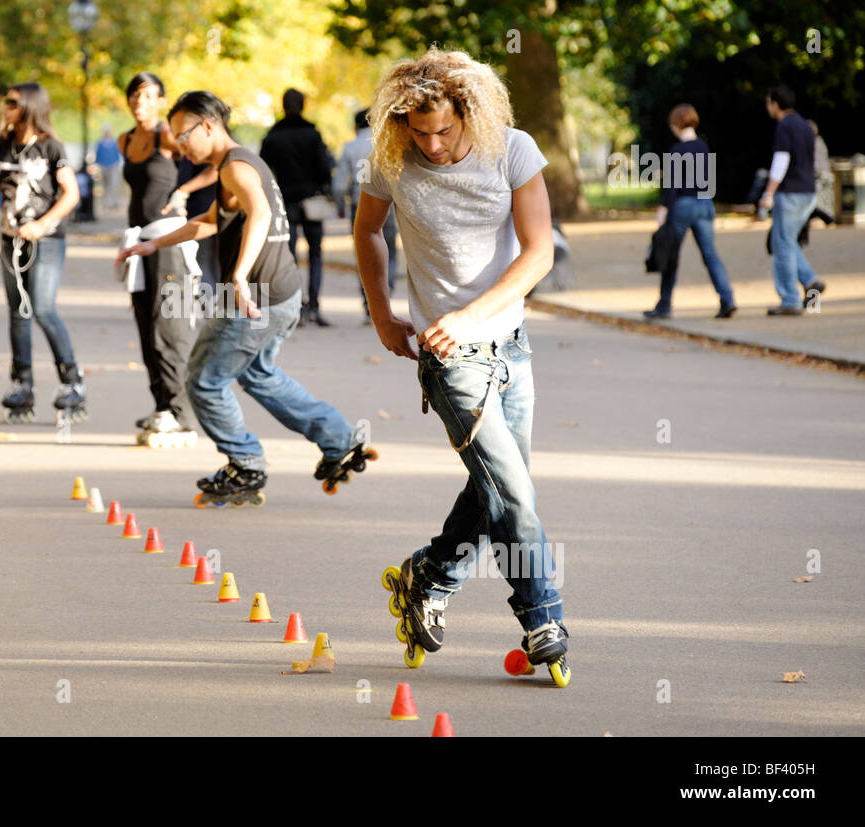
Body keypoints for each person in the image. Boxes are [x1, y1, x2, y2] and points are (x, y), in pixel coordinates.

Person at [355, 47, 568, 682]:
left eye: (444, 129)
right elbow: (368, 231)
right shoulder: (391, 159)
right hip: (448, 359)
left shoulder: (512, 149)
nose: (433, 144)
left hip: (510, 346)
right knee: (514, 492)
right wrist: (382, 313)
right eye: (418, 131)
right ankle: (543, 616)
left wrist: (476, 315)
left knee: (497, 487)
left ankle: (429, 576)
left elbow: (537, 255)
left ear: (469, 113)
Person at [116, 90, 372, 506]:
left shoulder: (235, 167)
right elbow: (212, 221)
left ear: (209, 126)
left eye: (184, 135)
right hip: (279, 293)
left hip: (256, 297)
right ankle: (339, 439)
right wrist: (152, 242)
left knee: (203, 380)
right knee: (258, 374)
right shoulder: (238, 164)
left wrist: (236, 274)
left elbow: (262, 213)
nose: (180, 145)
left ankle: (246, 463)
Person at [0, 82, 87, 426]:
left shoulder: (51, 148)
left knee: (42, 308)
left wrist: (42, 225)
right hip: (10, 241)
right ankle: (22, 383)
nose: (6, 108)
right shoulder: (2, 147)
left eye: (12, 103)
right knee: (18, 312)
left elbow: (70, 195)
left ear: (29, 106)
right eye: (6, 102)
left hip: (46, 241)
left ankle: (72, 381)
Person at [116, 71, 217, 446]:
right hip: (139, 241)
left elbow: (213, 166)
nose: (138, 102)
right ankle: (162, 404)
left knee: (169, 327)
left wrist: (183, 192)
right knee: (145, 327)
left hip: (168, 240)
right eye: (134, 95)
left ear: (160, 100)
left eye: (146, 96)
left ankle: (182, 413)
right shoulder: (126, 139)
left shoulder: (167, 135)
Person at [643, 104, 736, 320]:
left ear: (676, 124)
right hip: (704, 204)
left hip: (683, 205)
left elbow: (673, 185)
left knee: (671, 255)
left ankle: (664, 305)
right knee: (710, 254)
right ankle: (727, 298)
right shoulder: (703, 146)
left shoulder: (677, 150)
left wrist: (664, 208)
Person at [259, 88, 335, 325]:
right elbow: (324, 169)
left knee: (289, 256)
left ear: (283, 106)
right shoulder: (312, 134)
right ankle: (313, 307)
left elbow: (263, 170)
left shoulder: (273, 137)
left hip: (285, 199)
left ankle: (295, 306)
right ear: (303, 106)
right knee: (315, 254)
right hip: (311, 199)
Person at [758, 85, 826, 316]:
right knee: (786, 241)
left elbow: (781, 160)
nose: (768, 107)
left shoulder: (784, 126)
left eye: (768, 103)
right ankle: (809, 279)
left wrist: (768, 192)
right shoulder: (806, 126)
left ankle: (790, 300)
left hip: (790, 193)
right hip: (808, 191)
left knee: (782, 246)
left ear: (776, 104)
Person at [335, 107, 398, 322]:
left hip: (360, 205)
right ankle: (387, 288)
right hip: (389, 204)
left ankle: (370, 300)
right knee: (389, 248)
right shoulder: (387, 144)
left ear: (356, 125)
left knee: (365, 251)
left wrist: (340, 207)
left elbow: (339, 184)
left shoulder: (350, 147)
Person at [808, 120, 835, 226]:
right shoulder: (819, 141)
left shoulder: (813, 142)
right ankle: (828, 218)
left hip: (820, 175)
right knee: (826, 199)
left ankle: (827, 219)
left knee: (815, 199)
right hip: (826, 173)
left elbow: (815, 161)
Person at [93, 124, 124, 212]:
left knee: (114, 184)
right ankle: (106, 203)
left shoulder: (115, 142)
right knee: (105, 185)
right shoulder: (100, 143)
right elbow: (97, 155)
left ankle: (115, 202)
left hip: (114, 166)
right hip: (103, 166)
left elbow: (119, 154)